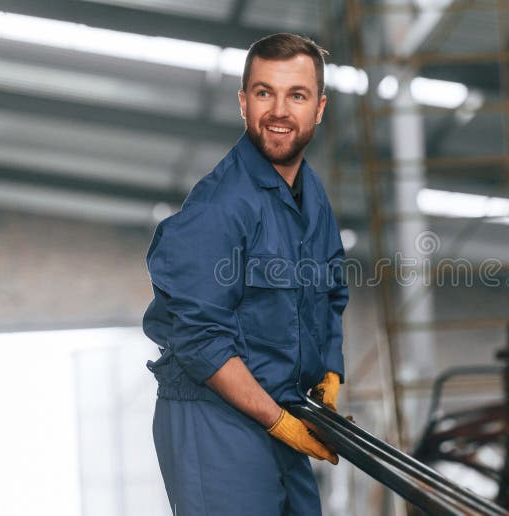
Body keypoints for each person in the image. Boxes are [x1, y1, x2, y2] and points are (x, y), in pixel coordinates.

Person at [142, 33, 348, 516]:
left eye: (295, 95)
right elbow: (200, 340)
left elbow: (330, 289)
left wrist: (330, 370)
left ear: (318, 108)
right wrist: (277, 420)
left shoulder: (310, 196)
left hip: (282, 411)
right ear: (243, 102)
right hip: (214, 417)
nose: (278, 110)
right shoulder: (221, 205)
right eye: (263, 93)